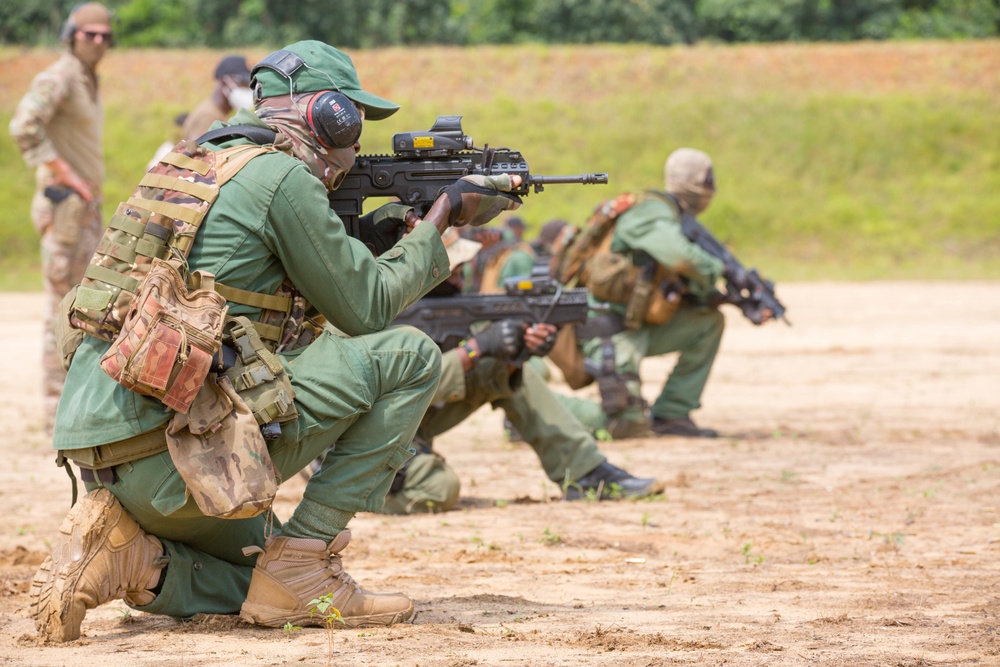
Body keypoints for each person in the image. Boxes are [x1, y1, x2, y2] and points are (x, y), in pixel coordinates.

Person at [29, 40, 523, 642]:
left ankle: (134, 558)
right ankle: (306, 562)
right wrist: (441, 222)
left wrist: (375, 234)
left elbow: (258, 270)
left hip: (107, 452)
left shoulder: (192, 161)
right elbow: (365, 308)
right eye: (353, 120)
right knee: (412, 357)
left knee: (254, 581)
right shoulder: (281, 176)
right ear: (326, 115)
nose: (356, 142)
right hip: (178, 456)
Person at [382, 229, 662, 514]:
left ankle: (585, 472)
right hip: (366, 435)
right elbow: (385, 392)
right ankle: (352, 496)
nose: (459, 274)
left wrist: (516, 351)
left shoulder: (433, 303)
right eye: (450, 267)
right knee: (437, 489)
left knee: (499, 368)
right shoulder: (372, 313)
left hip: (409, 424)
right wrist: (475, 348)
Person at [557, 148, 746, 439]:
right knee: (626, 424)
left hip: (635, 326)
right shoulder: (650, 211)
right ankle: (534, 409)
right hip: (608, 332)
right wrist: (715, 270)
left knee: (707, 322)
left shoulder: (669, 215)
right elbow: (683, 258)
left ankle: (673, 412)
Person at [9, 2, 112, 437]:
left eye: (105, 36)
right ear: (71, 33)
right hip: (67, 205)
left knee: (82, 307)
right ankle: (56, 408)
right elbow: (24, 125)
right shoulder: (62, 76)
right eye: (89, 34)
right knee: (62, 307)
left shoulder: (87, 79)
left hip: (83, 207)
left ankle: (71, 402)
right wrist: (67, 175)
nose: (98, 42)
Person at [180, 54, 254, 143]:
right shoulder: (209, 116)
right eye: (242, 84)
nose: (247, 89)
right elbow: (198, 153)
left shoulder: (217, 112)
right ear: (225, 82)